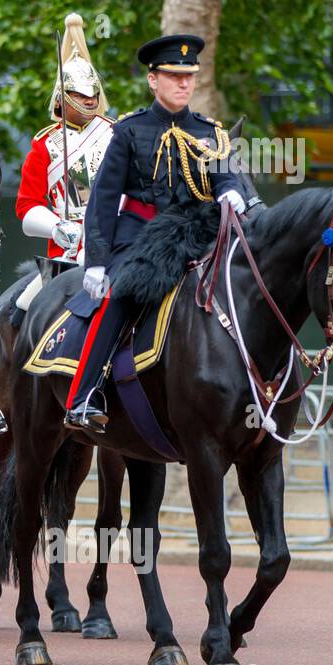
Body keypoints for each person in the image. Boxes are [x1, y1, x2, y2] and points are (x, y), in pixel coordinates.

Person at [66, 34, 247, 431]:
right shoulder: (129, 131)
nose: (183, 83)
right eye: (173, 76)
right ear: (153, 80)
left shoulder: (210, 133)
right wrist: (97, 262)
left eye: (189, 76)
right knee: (119, 296)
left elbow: (226, 178)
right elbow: (102, 200)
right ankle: (83, 396)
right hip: (139, 237)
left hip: (196, 234)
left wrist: (232, 191)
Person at [16, 13, 114, 312]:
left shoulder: (116, 133)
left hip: (116, 240)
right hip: (67, 251)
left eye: (92, 94)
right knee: (21, 308)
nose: (88, 101)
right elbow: (26, 206)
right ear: (61, 98)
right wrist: (57, 226)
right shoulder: (45, 144)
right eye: (79, 95)